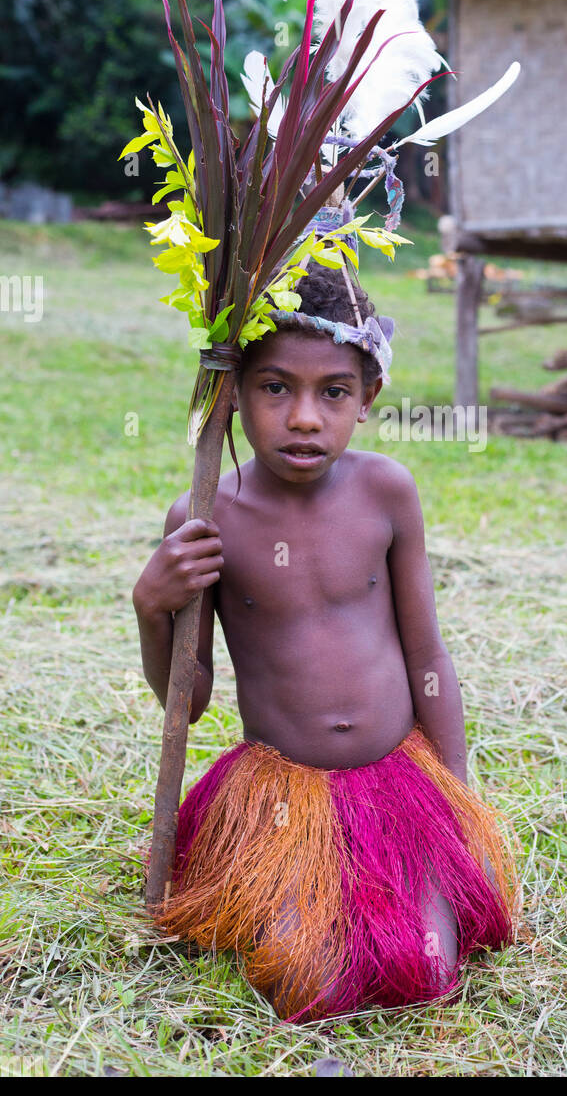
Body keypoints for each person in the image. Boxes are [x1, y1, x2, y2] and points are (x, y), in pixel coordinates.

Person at [133, 263, 521, 1022]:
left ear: (367, 398)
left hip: (398, 781)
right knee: (306, 984)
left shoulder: (386, 492)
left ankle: (415, 875)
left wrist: (457, 798)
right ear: (232, 391)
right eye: (275, 388)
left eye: (333, 392)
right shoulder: (206, 514)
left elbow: (427, 658)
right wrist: (154, 606)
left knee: (433, 969)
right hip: (283, 800)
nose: (304, 417)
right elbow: (193, 695)